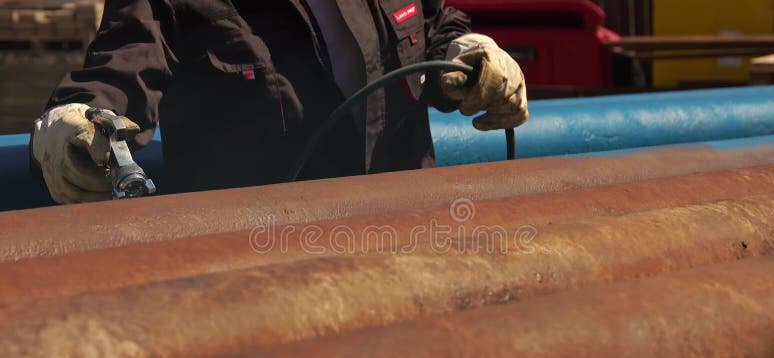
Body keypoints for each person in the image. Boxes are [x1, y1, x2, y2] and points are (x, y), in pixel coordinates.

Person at [31, 0, 528, 204]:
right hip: (260, 278)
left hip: (408, 242)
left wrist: (470, 53)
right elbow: (123, 64)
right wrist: (72, 119)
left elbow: (433, 29)